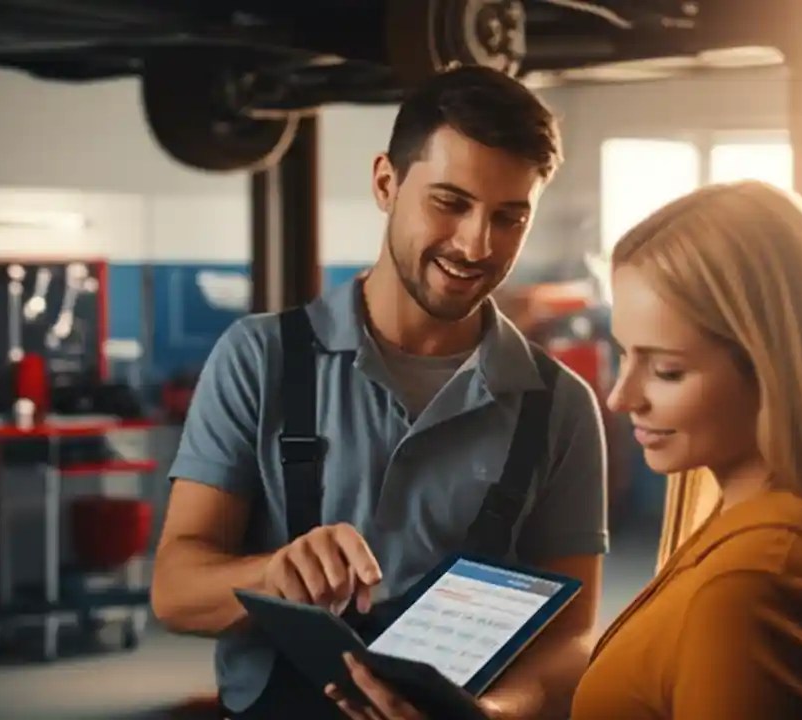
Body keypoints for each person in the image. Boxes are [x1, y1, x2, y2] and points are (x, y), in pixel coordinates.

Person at [329, 180, 802, 719]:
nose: (621, 398)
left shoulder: (751, 585)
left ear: (774, 370)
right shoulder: (756, 530)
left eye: (667, 370)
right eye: (625, 355)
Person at [150, 65, 609, 720]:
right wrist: (272, 576)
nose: (476, 244)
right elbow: (175, 592)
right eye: (450, 203)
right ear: (386, 184)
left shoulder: (559, 405)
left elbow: (572, 636)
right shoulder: (259, 359)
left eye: (510, 217)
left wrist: (496, 712)